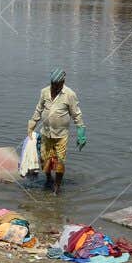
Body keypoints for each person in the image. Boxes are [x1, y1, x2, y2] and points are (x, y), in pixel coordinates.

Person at [27, 67, 85, 195]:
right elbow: (39, 109)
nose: (53, 87)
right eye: (52, 84)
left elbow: (76, 114)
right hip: (46, 133)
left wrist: (81, 131)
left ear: (62, 83)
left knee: (59, 161)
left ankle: (57, 187)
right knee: (44, 159)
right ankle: (48, 179)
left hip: (61, 135)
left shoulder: (69, 94)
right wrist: (32, 124)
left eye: (56, 84)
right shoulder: (44, 92)